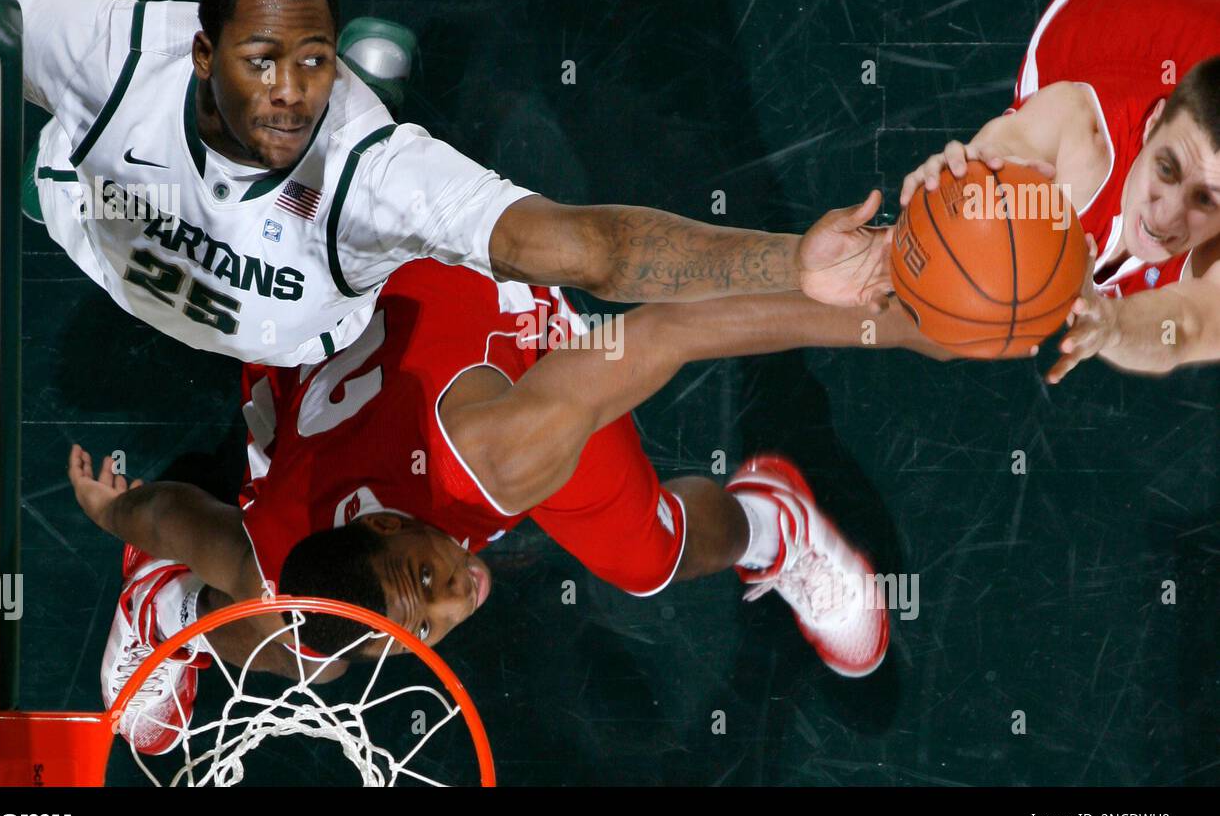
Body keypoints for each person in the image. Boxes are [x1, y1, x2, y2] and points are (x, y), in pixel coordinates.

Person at [68, 247, 941, 752]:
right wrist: (112, 513)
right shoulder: (268, 556)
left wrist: (890, 316)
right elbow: (166, 515)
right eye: (431, 624)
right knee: (319, 660)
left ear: (388, 523)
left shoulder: (504, 449)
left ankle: (771, 524)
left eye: (426, 574)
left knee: (646, 559)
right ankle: (163, 604)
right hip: (330, 389)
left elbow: (677, 330)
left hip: (487, 333)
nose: (462, 593)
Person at [0, 0, 891, 367]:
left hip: (293, 324)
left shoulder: (366, 171)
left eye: (315, 60)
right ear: (202, 52)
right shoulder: (126, 51)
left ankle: (384, 72)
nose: (296, 90)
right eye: (265, 61)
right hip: (98, 228)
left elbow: (590, 251)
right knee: (13, 145)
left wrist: (788, 264)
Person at [898, 0, 1220, 382]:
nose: (1167, 213)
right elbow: (1008, 152)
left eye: (1207, 199)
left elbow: (1190, 324)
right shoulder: (1079, 136)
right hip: (1141, 8)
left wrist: (1113, 325)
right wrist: (964, 180)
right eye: (1167, 168)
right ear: (1154, 120)